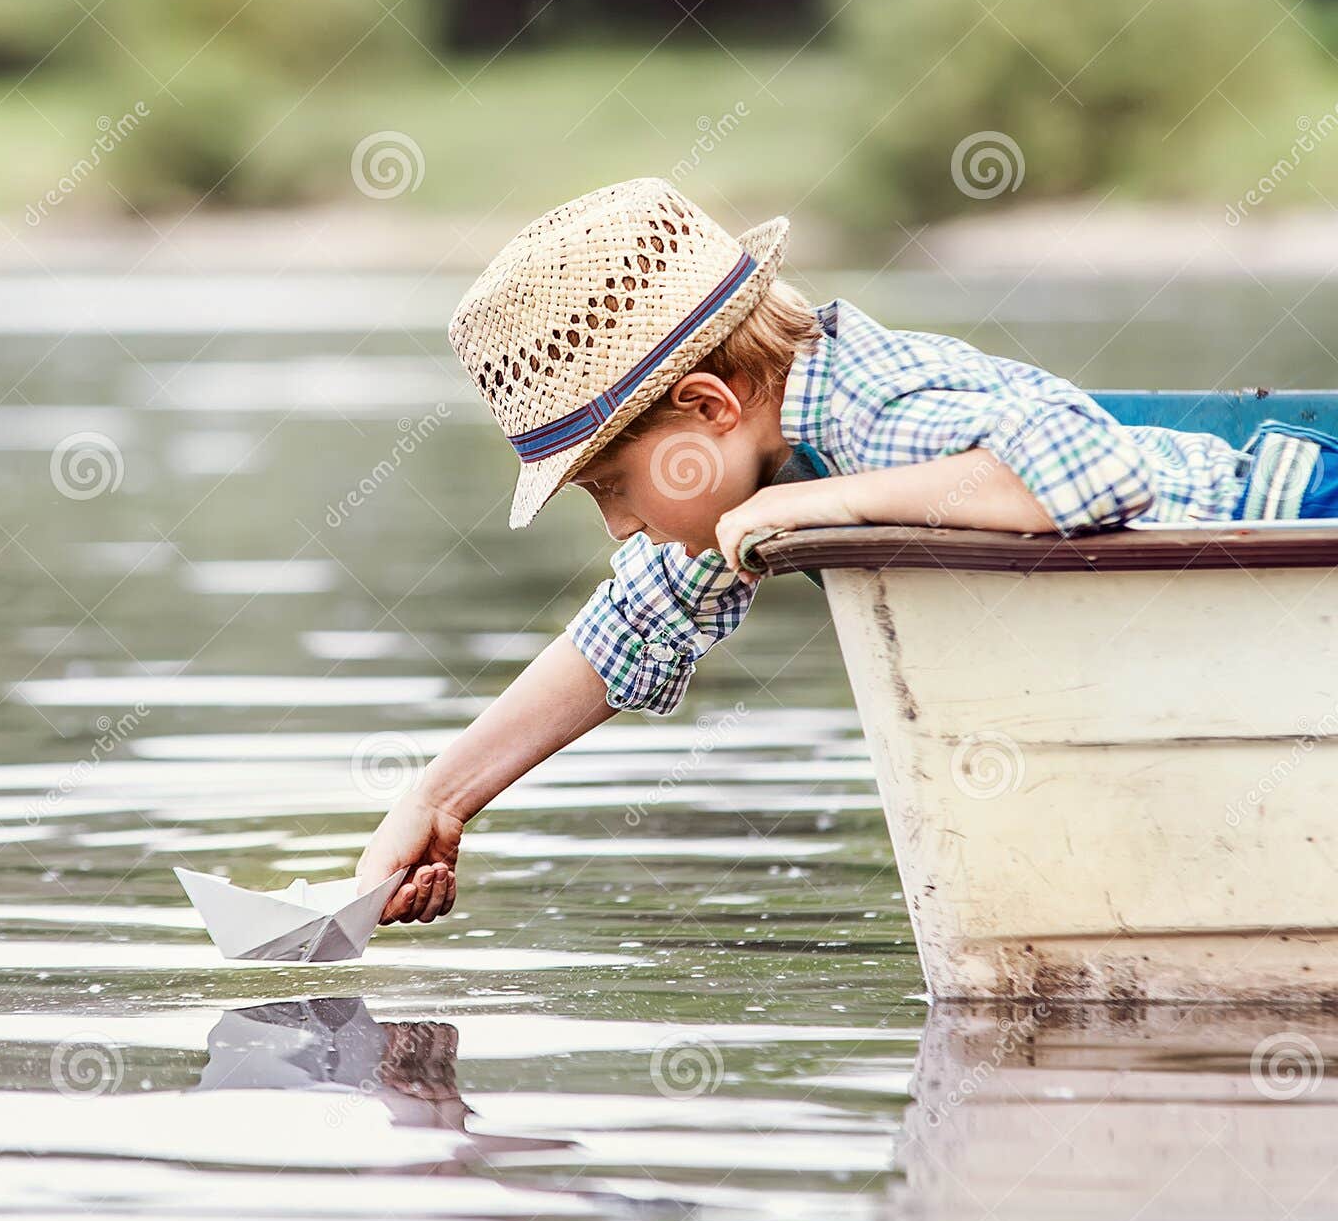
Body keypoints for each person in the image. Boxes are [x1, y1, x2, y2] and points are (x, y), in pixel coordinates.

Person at [356, 176, 1336, 924]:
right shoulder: (762, 457)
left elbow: (1092, 478)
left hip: (1297, 504)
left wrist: (832, 503)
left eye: (612, 485)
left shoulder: (879, 408)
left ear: (707, 408)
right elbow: (630, 625)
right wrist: (439, 795)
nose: (616, 524)